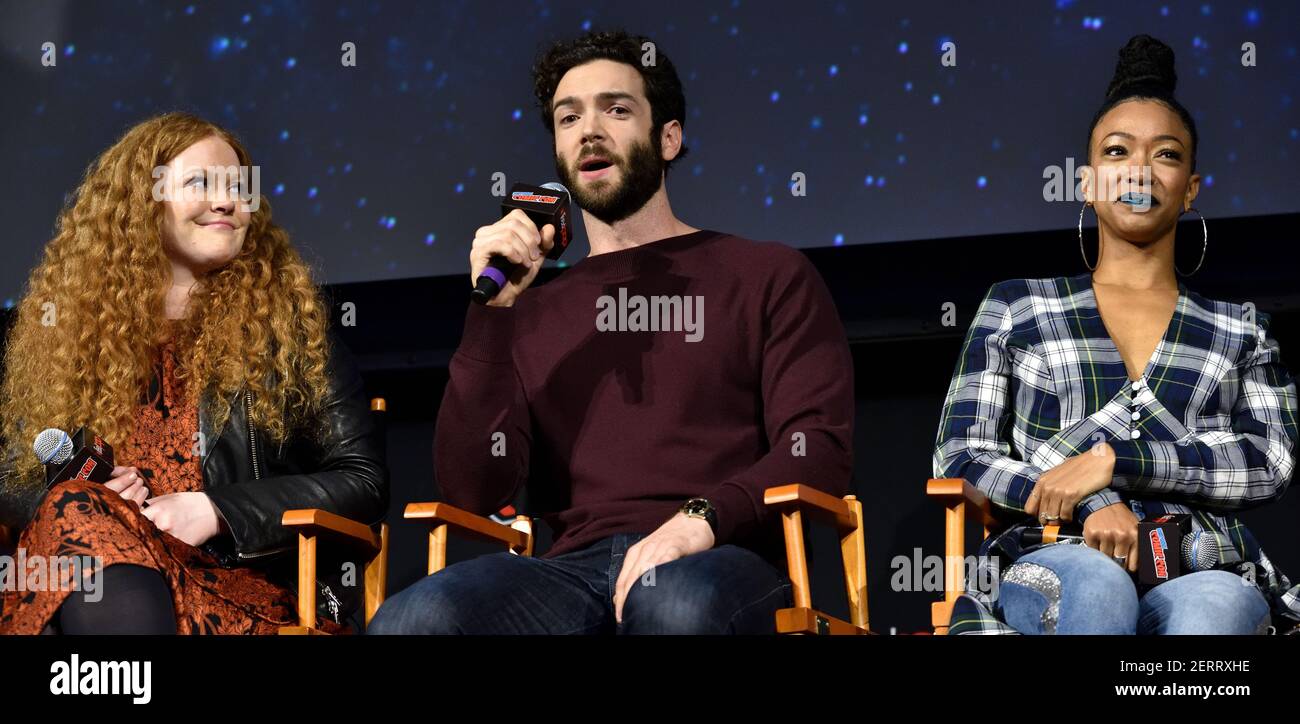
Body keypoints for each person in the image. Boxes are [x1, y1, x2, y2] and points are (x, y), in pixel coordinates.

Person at [369, 30, 854, 635]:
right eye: (568, 117)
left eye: (616, 109)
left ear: (668, 138)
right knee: (415, 618)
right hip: (571, 572)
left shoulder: (766, 274)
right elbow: (471, 487)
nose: (588, 130)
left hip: (720, 554)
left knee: (673, 607)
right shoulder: (530, 310)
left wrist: (701, 517)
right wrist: (490, 319)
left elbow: (819, 447)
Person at [933, 35, 1298, 635]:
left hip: (1199, 560)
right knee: (1098, 587)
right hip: (1053, 551)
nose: (1139, 170)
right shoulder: (1018, 305)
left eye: (1167, 155)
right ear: (1085, 181)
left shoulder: (1241, 327)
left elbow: (1269, 461)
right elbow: (962, 455)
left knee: (1213, 609)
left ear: (1191, 189)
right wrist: (1087, 497)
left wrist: (1115, 463)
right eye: (1117, 150)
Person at [0, 112, 388, 634]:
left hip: (251, 591)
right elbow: (12, 477)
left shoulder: (292, 336)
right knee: (70, 522)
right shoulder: (72, 342)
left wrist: (216, 510)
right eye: (200, 183)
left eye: (238, 187)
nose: (227, 201)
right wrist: (97, 500)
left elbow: (362, 482)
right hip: (103, 567)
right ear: (143, 205)